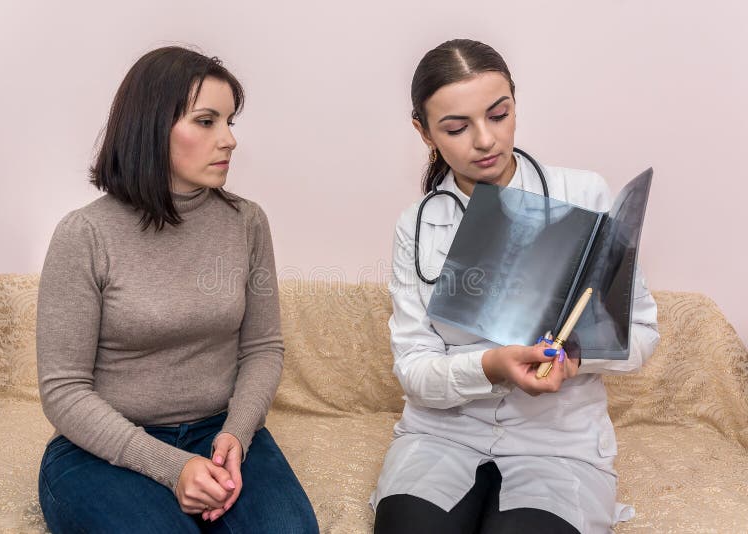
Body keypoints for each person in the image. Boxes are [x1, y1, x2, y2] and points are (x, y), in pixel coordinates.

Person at [372, 39, 659, 534]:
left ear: (514, 106)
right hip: (443, 435)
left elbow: (641, 330)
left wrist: (575, 359)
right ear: (424, 133)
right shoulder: (416, 226)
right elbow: (414, 369)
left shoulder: (582, 195)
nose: (485, 140)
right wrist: (489, 366)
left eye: (498, 115)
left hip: (556, 443)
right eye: (457, 127)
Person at [36, 46, 318, 533]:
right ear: (150, 126)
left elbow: (263, 348)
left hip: (219, 432)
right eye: (206, 121)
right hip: (104, 449)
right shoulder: (84, 235)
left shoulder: (247, 223)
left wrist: (237, 433)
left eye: (230, 121)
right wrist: (172, 467)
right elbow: (64, 391)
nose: (229, 140)